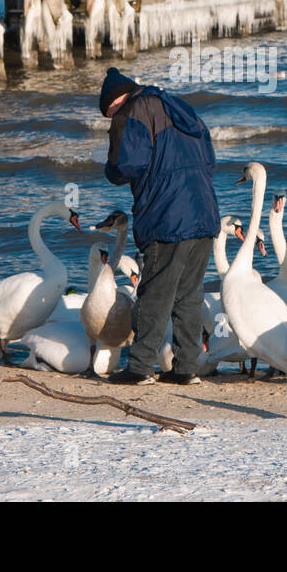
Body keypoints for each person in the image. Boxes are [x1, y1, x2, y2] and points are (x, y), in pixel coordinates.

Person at [99, 67, 220, 385]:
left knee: (155, 292)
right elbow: (209, 159)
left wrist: (111, 169)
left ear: (116, 100)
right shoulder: (180, 107)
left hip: (167, 215)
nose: (111, 118)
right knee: (189, 294)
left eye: (109, 112)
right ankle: (186, 367)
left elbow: (129, 163)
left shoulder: (134, 109)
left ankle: (139, 368)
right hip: (204, 212)